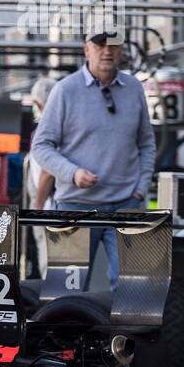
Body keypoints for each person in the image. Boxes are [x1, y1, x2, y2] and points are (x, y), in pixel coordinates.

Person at [30, 31, 156, 291]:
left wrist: (140, 190)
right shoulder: (65, 90)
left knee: (131, 288)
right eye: (100, 45)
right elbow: (41, 147)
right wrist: (72, 173)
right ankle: (67, 334)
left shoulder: (134, 89)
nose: (107, 50)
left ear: (122, 50)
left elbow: (147, 144)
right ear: (87, 50)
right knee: (67, 288)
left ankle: (123, 334)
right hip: (75, 207)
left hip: (126, 206)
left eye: (114, 45)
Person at [24, 76, 57, 276]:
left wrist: (37, 206)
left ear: (38, 103)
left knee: (49, 264)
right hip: (53, 207)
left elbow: (47, 172)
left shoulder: (45, 130)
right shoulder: (62, 126)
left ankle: (55, 307)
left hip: (47, 209)